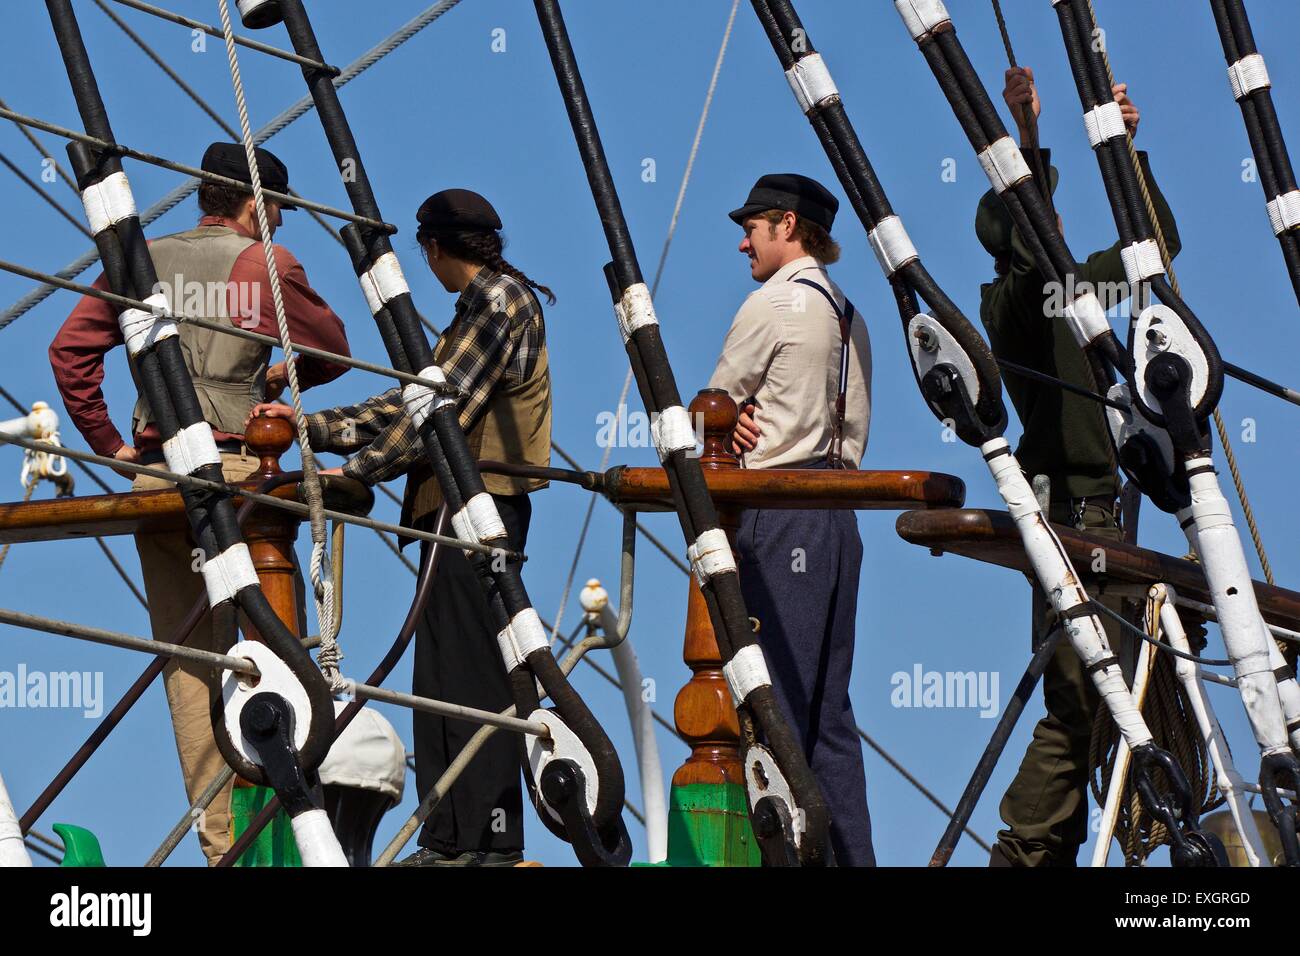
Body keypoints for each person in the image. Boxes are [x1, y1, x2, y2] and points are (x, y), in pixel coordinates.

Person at [48, 142, 352, 864]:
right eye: (276, 210)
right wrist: (283, 375)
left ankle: (222, 844)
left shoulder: (142, 260)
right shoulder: (264, 265)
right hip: (242, 473)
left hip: (157, 482)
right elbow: (335, 349)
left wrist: (111, 445)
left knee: (188, 661)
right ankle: (283, 828)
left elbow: (69, 352)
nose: (278, 224)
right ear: (254, 204)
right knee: (270, 647)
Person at [251, 188, 553, 867]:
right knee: (439, 676)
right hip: (451, 512)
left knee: (475, 674)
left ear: (434, 248)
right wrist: (317, 428)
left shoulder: (498, 305)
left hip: (479, 510)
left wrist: (355, 471)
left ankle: (489, 842)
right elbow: (409, 400)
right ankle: (449, 838)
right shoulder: (478, 311)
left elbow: (438, 412)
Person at [978, 67, 1182, 866]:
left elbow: (1154, 241)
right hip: (1069, 518)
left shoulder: (1073, 292)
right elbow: (1032, 253)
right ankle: (1025, 852)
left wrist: (1128, 150)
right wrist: (1027, 135)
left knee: (1104, 702)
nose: (1056, 225)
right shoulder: (1019, 304)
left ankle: (1048, 854)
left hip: (1106, 517)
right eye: (1038, 216)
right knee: (1079, 700)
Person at [707, 173, 875, 865]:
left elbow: (705, 414)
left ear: (786, 225)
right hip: (841, 515)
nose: (743, 240)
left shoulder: (772, 304)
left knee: (767, 699)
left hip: (780, 516)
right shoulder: (849, 314)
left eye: (753, 225)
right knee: (827, 712)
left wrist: (726, 417)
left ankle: (774, 856)